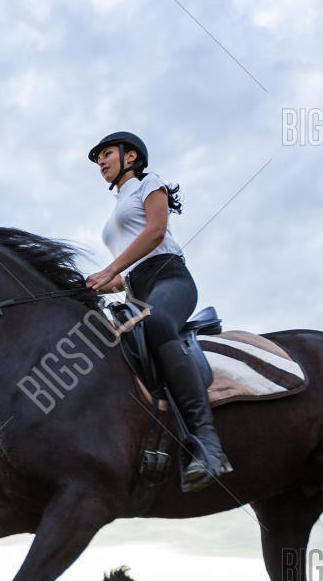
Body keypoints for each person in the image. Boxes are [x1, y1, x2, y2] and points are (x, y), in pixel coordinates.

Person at [83, 131, 231, 489]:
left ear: (130, 156)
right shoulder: (116, 208)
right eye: (99, 158)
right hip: (137, 289)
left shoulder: (150, 183)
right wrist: (96, 283)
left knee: (158, 323)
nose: (101, 162)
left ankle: (209, 444)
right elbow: (127, 274)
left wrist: (111, 269)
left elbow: (155, 232)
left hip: (170, 280)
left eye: (106, 154)